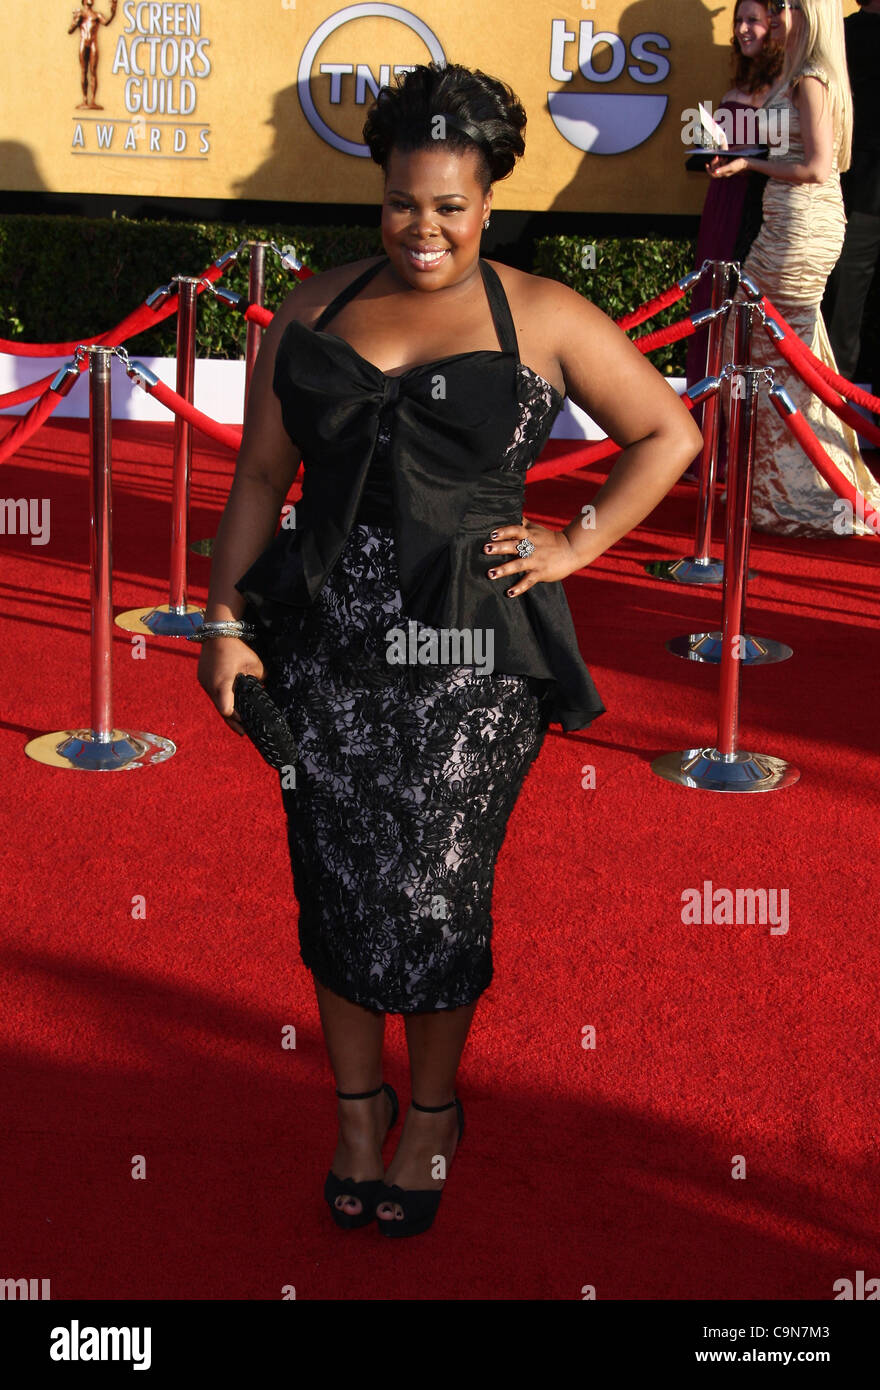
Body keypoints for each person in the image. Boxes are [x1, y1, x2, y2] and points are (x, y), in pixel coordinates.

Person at [197, 62, 702, 1238]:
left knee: (433, 889)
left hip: (472, 656)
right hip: (321, 646)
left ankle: (430, 1112)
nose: (423, 228)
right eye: (401, 202)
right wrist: (225, 625)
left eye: (449, 205)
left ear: (488, 202)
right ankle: (356, 1111)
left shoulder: (549, 315)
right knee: (332, 877)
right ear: (378, 195)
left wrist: (574, 543)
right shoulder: (314, 307)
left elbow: (666, 430)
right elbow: (262, 477)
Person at [710, 0, 880, 536]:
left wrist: (747, 161)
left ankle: (791, 493)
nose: (780, 14)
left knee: (767, 342)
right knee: (781, 346)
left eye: (789, 6)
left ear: (812, 13)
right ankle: (782, 487)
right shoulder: (804, 71)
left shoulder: (811, 76)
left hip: (802, 226)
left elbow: (815, 166)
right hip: (787, 220)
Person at [685, 0, 783, 480]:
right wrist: (714, 157)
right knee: (712, 313)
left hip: (760, 213)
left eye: (753, 21)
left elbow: (791, 159)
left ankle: (746, 450)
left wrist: (747, 159)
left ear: (775, 27)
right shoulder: (733, 92)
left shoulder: (788, 89)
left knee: (747, 324)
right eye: (738, 21)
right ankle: (706, 446)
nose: (743, 29)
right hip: (722, 208)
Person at [824, 0, 880, 389]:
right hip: (856, 197)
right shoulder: (840, 36)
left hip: (858, 197)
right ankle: (832, 420)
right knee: (842, 315)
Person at [68, 0, 118, 110]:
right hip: (83, 43)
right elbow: (70, 31)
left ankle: (93, 101)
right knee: (84, 71)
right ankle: (85, 99)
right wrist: (75, 21)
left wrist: (113, 10)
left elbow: (107, 22)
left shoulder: (97, 15)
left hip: (93, 44)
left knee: (93, 71)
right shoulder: (80, 14)